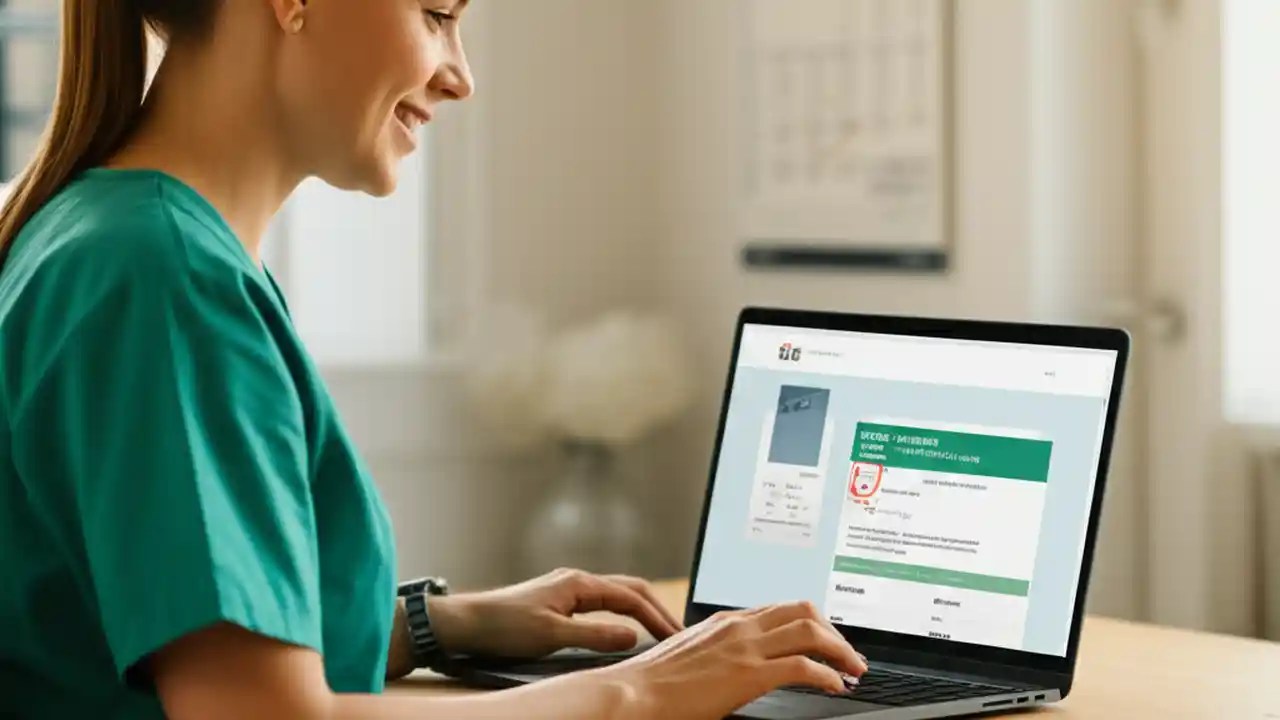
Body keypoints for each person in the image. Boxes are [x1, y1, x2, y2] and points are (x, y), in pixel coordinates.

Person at [0, 2, 867, 718]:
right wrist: (642, 689)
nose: (460, 74)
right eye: (437, 14)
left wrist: (440, 623)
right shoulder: (165, 276)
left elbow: (137, 628)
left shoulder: (110, 233)